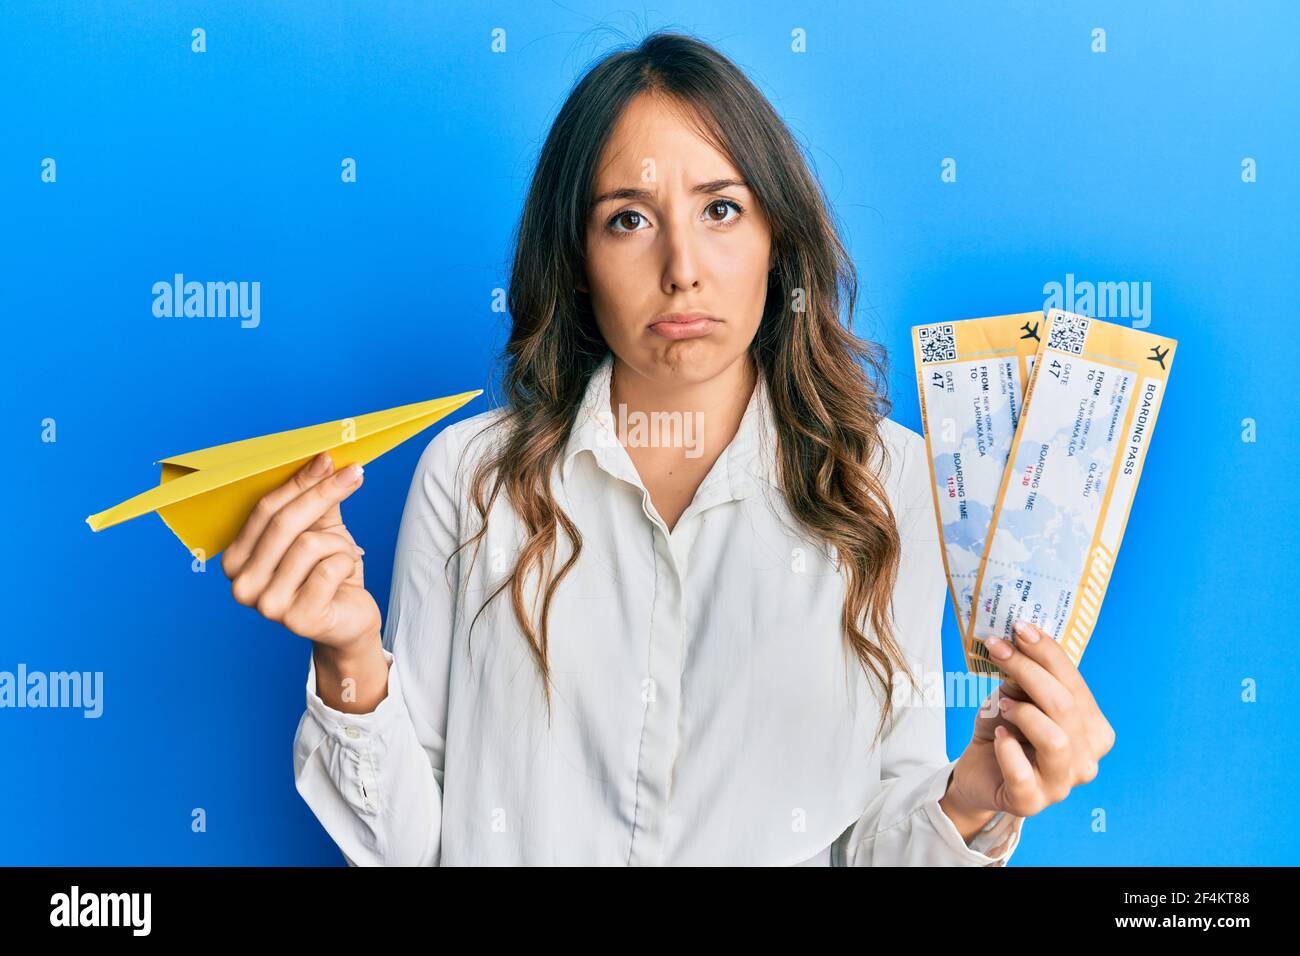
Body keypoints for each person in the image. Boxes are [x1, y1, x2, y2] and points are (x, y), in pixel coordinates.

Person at [221, 31, 1114, 866]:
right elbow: (406, 850)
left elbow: (877, 840)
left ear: (779, 240)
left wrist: (974, 798)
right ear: (574, 259)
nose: (682, 266)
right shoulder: (470, 478)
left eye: (721, 208)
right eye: (628, 219)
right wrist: (349, 658)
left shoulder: (890, 485)